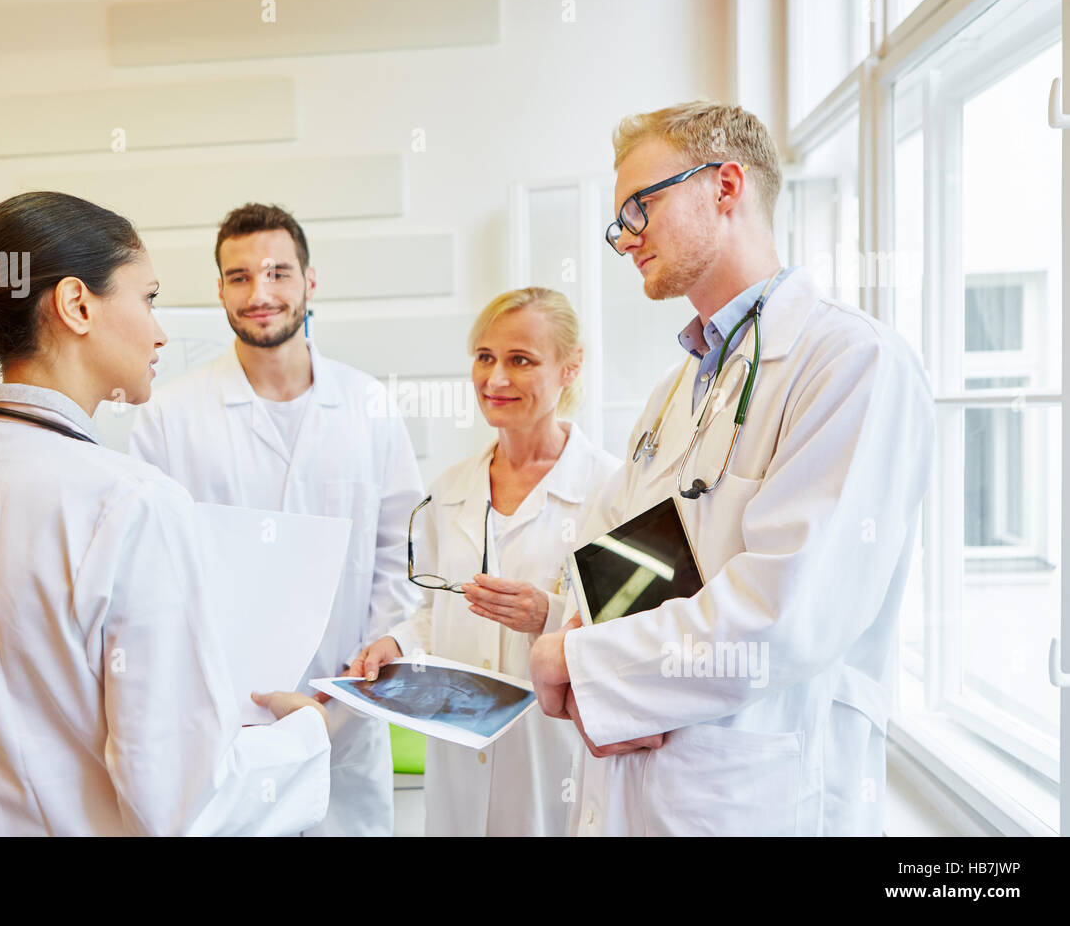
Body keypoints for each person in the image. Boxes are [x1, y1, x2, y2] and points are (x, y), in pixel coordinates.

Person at [0, 191, 332, 836]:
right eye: (148, 298)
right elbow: (183, 810)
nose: (160, 331)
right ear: (77, 304)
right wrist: (305, 736)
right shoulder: (131, 504)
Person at [529, 102, 933, 836]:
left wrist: (589, 667)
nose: (626, 239)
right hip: (645, 774)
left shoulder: (850, 363)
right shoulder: (678, 389)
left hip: (760, 792)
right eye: (619, 222)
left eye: (638, 207)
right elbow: (610, 551)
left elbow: (786, 613)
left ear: (726, 186)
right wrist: (587, 652)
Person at [130, 203, 423, 837]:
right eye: (239, 277)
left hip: (346, 719)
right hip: (223, 727)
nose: (260, 293)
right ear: (219, 290)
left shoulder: (369, 405)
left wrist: (358, 682)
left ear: (310, 282)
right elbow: (151, 574)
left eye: (278, 273)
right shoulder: (169, 416)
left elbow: (400, 558)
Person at [352, 287, 620, 836]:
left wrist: (546, 614)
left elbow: (632, 630)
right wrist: (398, 643)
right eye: (485, 357)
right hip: (458, 768)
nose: (495, 380)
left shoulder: (610, 489)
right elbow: (435, 609)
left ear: (571, 367)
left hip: (555, 765)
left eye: (521, 360)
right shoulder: (450, 489)